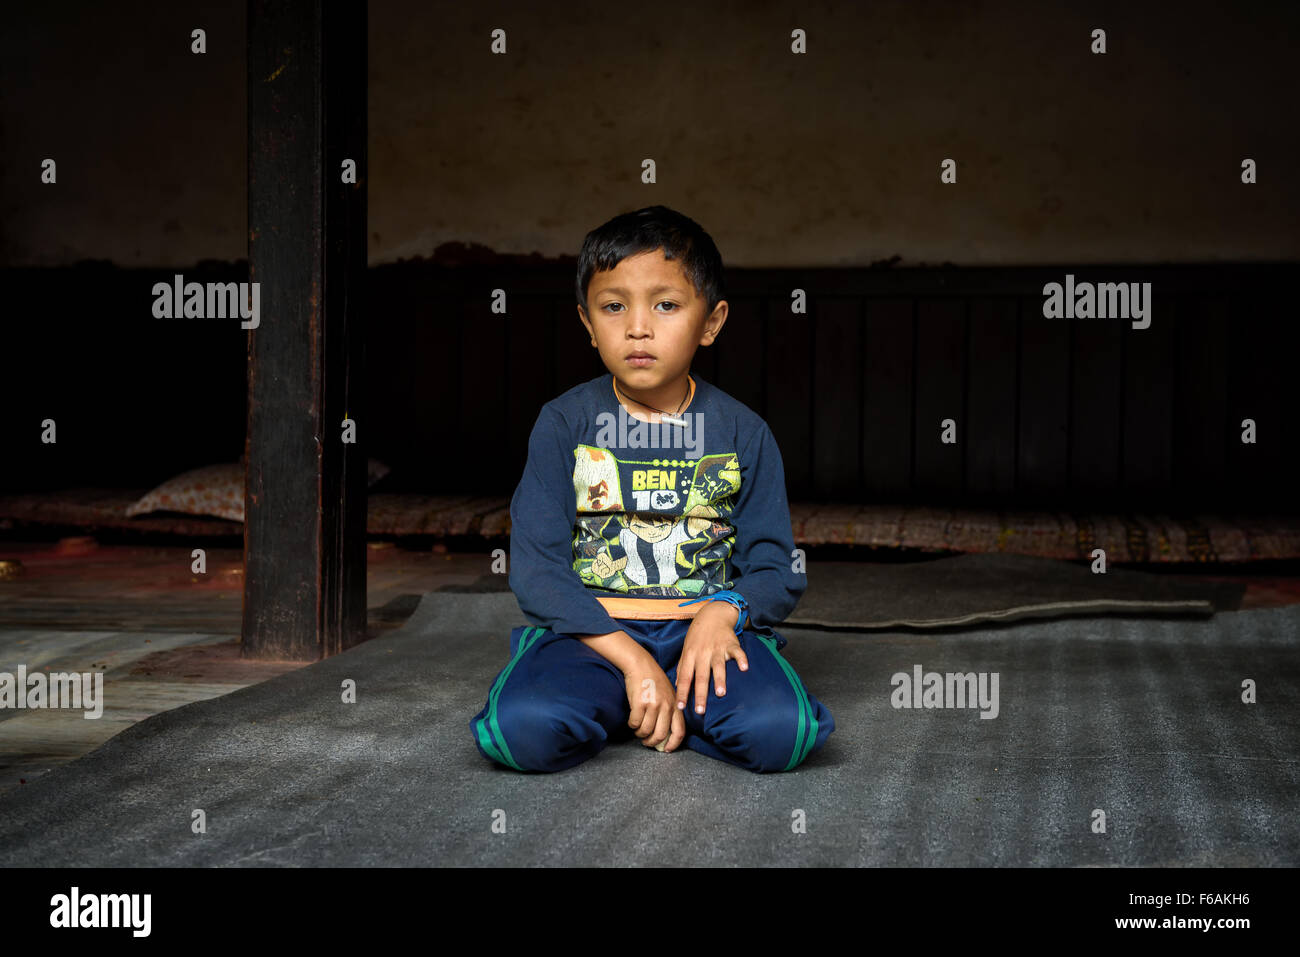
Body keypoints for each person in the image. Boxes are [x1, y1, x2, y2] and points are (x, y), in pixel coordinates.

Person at [469, 205, 835, 773]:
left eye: (666, 305)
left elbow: (775, 565)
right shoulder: (565, 424)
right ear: (588, 324)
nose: (638, 327)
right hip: (594, 635)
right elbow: (538, 570)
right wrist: (634, 661)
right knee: (519, 733)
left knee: (782, 735)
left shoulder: (743, 431)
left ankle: (653, 707)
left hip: (703, 636)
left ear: (710, 323)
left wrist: (722, 614)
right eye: (614, 307)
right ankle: (638, 695)